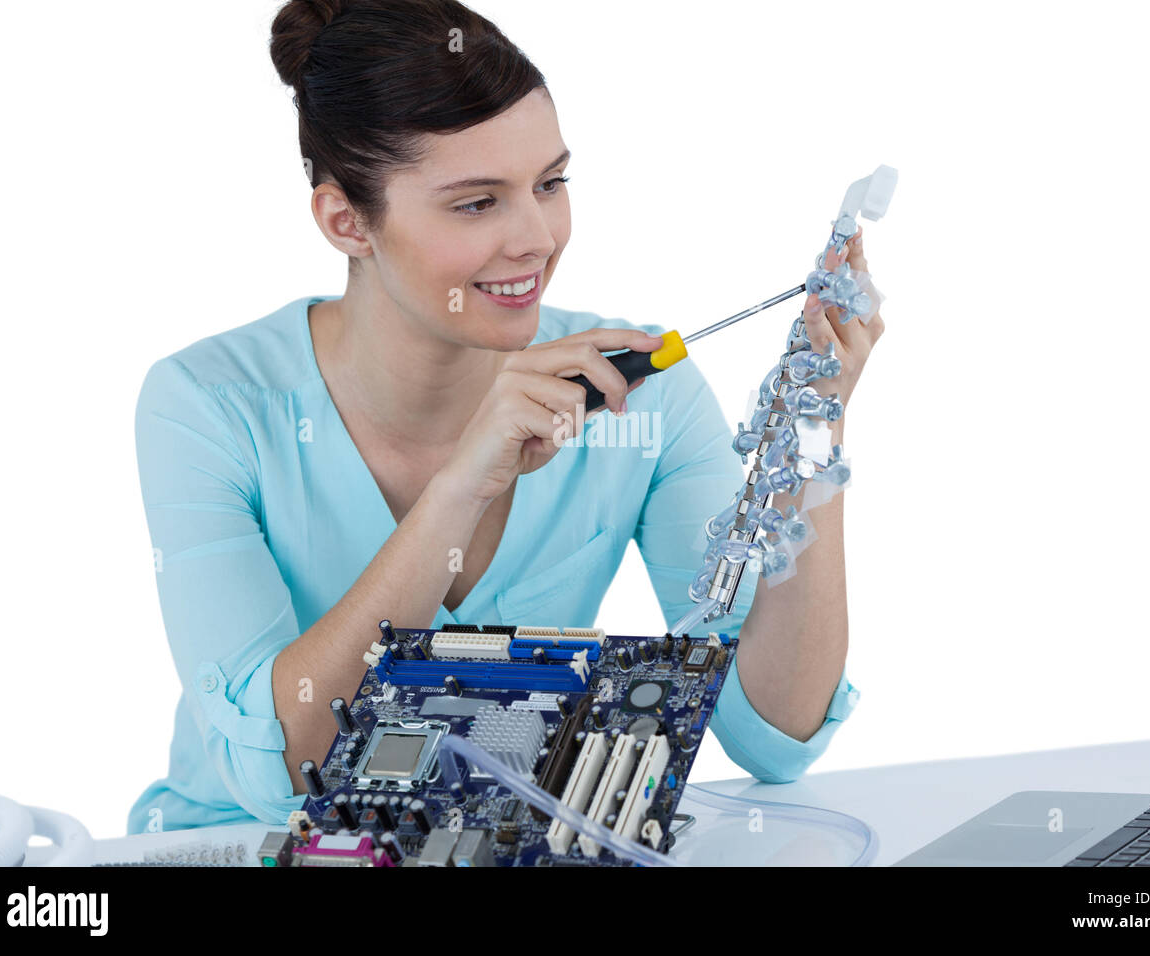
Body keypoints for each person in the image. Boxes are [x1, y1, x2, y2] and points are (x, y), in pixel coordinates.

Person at [126, 0, 881, 835]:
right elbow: (280, 775)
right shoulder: (207, 405)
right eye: (477, 203)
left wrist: (814, 435)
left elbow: (772, 732)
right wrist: (463, 485)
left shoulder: (642, 394)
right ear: (347, 222)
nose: (537, 238)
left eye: (550, 184)